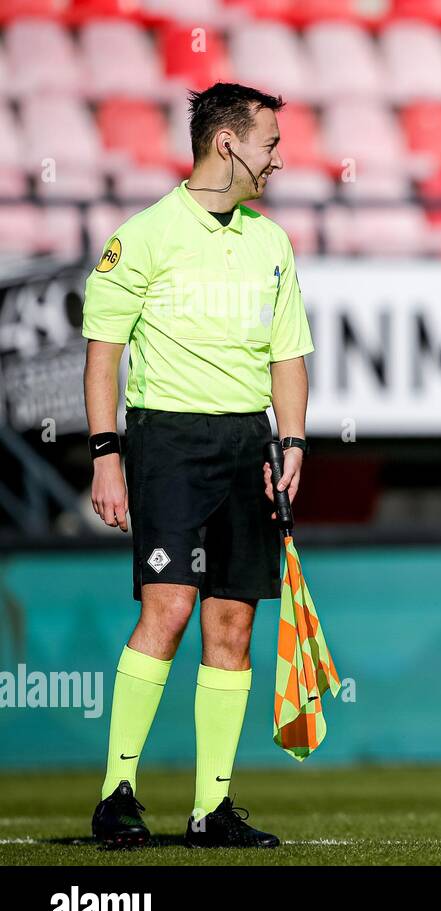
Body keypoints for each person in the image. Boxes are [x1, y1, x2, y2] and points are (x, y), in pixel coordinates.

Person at [85, 82, 314, 849]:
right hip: (168, 444)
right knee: (169, 610)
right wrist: (105, 454)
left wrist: (294, 443)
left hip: (249, 447)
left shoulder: (271, 241)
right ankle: (117, 793)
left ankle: (210, 809)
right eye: (270, 143)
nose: (278, 158)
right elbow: (103, 358)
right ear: (228, 143)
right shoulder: (144, 236)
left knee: (232, 625)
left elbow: (289, 355)